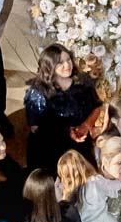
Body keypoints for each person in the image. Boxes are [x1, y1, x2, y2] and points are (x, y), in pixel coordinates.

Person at [23, 44, 101, 174]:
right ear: (49, 67)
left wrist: (86, 125)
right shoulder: (37, 92)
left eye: (68, 60)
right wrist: (66, 133)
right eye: (60, 63)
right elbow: (35, 128)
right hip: (50, 149)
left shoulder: (82, 82)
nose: (67, 65)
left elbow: (97, 107)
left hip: (80, 143)